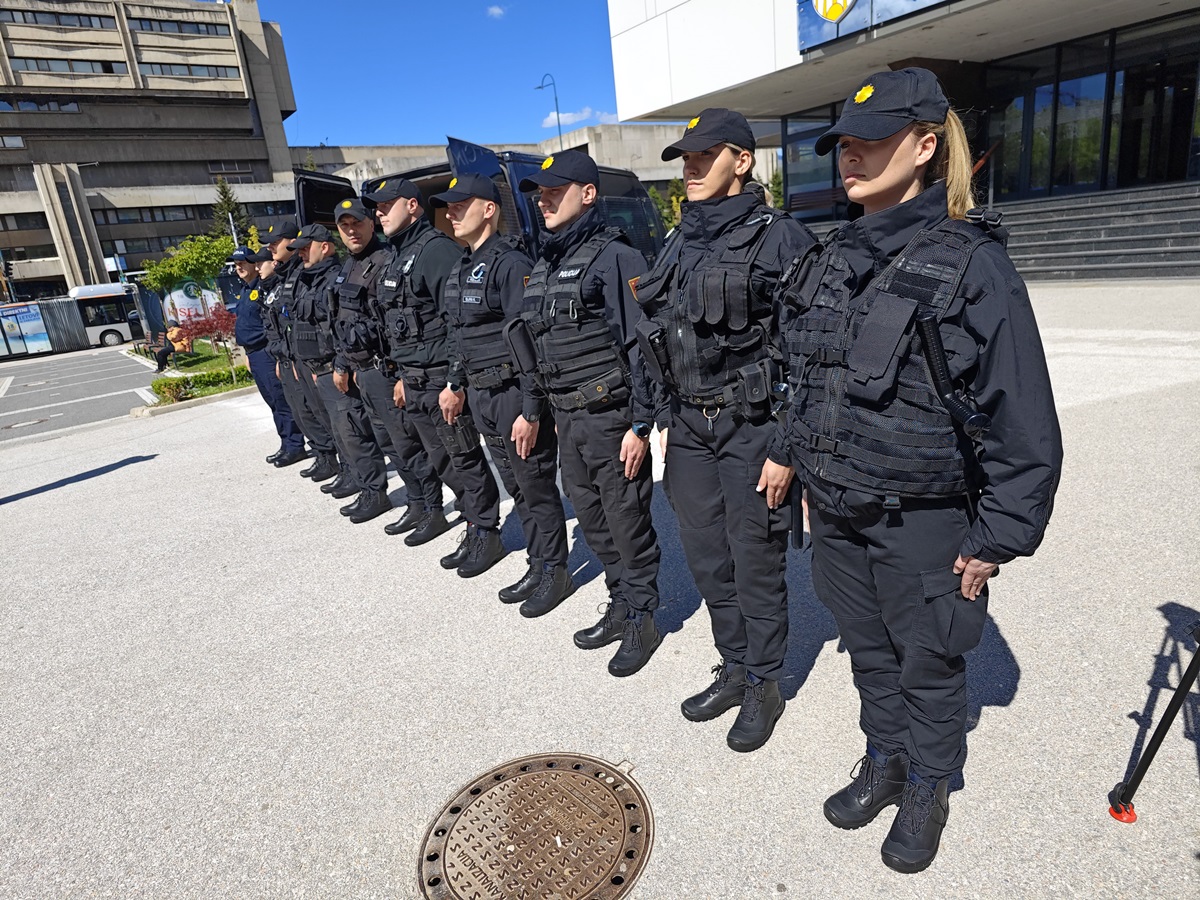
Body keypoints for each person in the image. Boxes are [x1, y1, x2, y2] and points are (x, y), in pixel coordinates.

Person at [767, 68, 1063, 873]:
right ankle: (885, 758)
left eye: (872, 141)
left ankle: (931, 780)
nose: (850, 157)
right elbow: (808, 376)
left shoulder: (974, 265)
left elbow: (1025, 421)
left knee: (928, 659)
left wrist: (999, 534)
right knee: (868, 651)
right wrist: (791, 458)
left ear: (927, 146)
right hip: (836, 510)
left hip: (923, 517)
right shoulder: (830, 258)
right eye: (843, 145)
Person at [635, 109, 817, 751]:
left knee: (755, 560)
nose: (688, 168)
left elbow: (813, 352)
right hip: (687, 426)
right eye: (683, 158)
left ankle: (765, 682)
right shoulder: (678, 239)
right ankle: (735, 665)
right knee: (709, 558)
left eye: (702, 157)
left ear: (742, 161)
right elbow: (660, 333)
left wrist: (787, 446)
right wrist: (654, 417)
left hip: (751, 428)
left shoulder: (782, 238)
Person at [509, 150, 661, 675]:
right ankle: (621, 601)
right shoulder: (546, 264)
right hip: (565, 418)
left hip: (611, 418)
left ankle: (643, 614)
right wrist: (534, 410)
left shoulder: (618, 257)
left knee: (626, 521)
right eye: (541, 193)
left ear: (588, 194)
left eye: (556, 190)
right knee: (594, 523)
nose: (544, 200)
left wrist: (641, 424)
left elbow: (642, 346)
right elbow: (534, 345)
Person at [431, 173, 571, 599]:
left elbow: (528, 341)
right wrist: (454, 382)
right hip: (480, 395)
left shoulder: (510, 265)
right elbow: (457, 333)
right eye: (449, 206)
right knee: (516, 486)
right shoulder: (462, 266)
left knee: (536, 486)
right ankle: (538, 561)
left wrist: (531, 410)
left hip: (512, 394)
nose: (451, 212)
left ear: (489, 209)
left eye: (461, 205)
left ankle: (555, 572)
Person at [365, 178, 505, 577]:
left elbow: (455, 323)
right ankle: (474, 522)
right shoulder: (398, 255)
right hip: (413, 378)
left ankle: (486, 531)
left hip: (440, 378)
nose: (378, 212)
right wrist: (399, 376)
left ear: (412, 206)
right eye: (376, 206)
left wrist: (453, 382)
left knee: (463, 457)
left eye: (386, 205)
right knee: (443, 461)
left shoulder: (436, 251)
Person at [330, 197, 447, 539]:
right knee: (388, 442)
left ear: (370, 224)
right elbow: (343, 320)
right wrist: (343, 363)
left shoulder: (386, 260)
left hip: (386, 371)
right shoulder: (347, 266)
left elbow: (394, 324)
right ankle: (415, 502)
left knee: (408, 443)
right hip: (362, 371)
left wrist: (398, 375)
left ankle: (433, 508)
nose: (351, 231)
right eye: (344, 226)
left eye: (357, 224)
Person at [259, 217, 325, 469]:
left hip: (305, 357)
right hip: (289, 356)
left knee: (319, 411)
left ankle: (333, 459)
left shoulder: (301, 273)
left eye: (276, 243)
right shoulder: (285, 276)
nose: (271, 249)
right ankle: (324, 456)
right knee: (303, 411)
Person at [230, 246, 305, 464]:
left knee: (281, 400)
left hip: (265, 352)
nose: (239, 268)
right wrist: (246, 353)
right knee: (272, 402)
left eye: (242, 263)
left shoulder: (263, 289)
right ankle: (286, 443)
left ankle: (295, 445)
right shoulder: (245, 290)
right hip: (254, 354)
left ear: (254, 263)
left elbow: (269, 324)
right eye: (236, 265)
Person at [286, 225, 348, 488]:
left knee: (349, 430)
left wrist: (340, 365)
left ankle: (364, 482)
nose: (300, 253)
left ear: (324, 247)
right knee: (333, 425)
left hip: (334, 364)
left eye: (305, 247)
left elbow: (339, 327)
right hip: (317, 364)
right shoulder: (307, 277)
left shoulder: (336, 277)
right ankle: (349, 472)